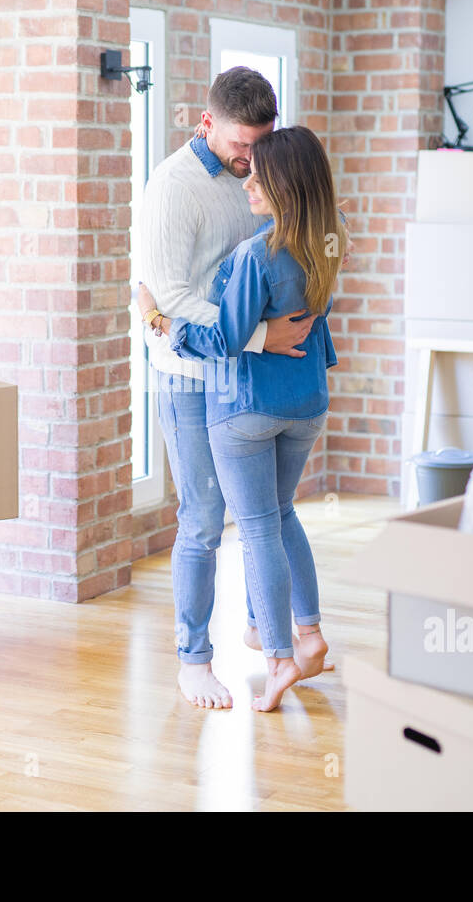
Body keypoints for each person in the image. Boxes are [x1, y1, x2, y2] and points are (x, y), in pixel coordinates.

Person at [139, 125, 345, 712]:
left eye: (262, 172)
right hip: (305, 402)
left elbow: (225, 337)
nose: (250, 176)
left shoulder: (257, 254)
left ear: (284, 186)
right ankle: (307, 634)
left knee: (254, 529)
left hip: (246, 407)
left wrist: (157, 319)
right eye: (247, 161)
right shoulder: (326, 241)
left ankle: (279, 658)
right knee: (279, 517)